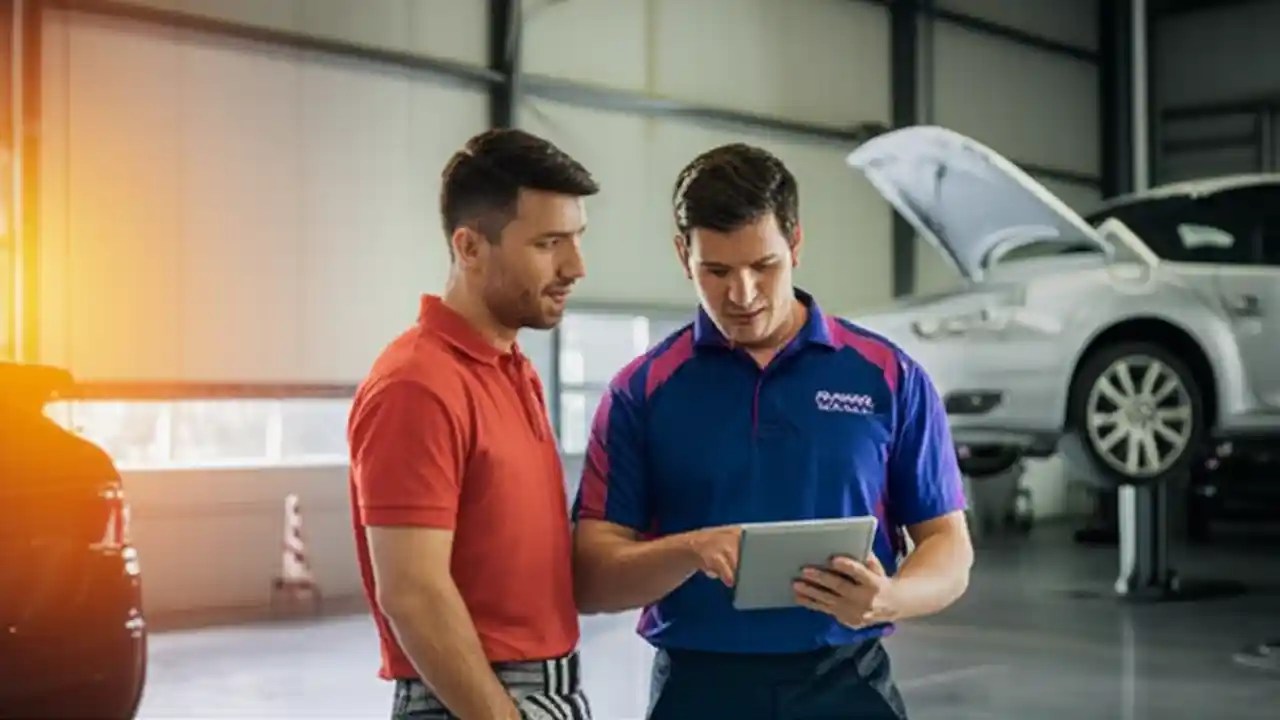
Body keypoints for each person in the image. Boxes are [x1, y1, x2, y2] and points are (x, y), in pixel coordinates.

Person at [571, 143, 974, 719]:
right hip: (697, 688)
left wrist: (891, 598)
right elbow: (592, 578)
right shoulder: (641, 392)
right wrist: (691, 549)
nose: (742, 294)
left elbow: (947, 545)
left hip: (848, 685)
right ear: (683, 254)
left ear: (797, 245)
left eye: (764, 266)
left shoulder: (889, 376)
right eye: (716, 270)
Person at [348, 128, 598, 720]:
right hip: (474, 699)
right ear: (469, 247)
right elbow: (412, 594)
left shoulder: (511, 367)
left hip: (547, 688)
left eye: (578, 239)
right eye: (548, 243)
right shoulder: (418, 384)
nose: (575, 266)